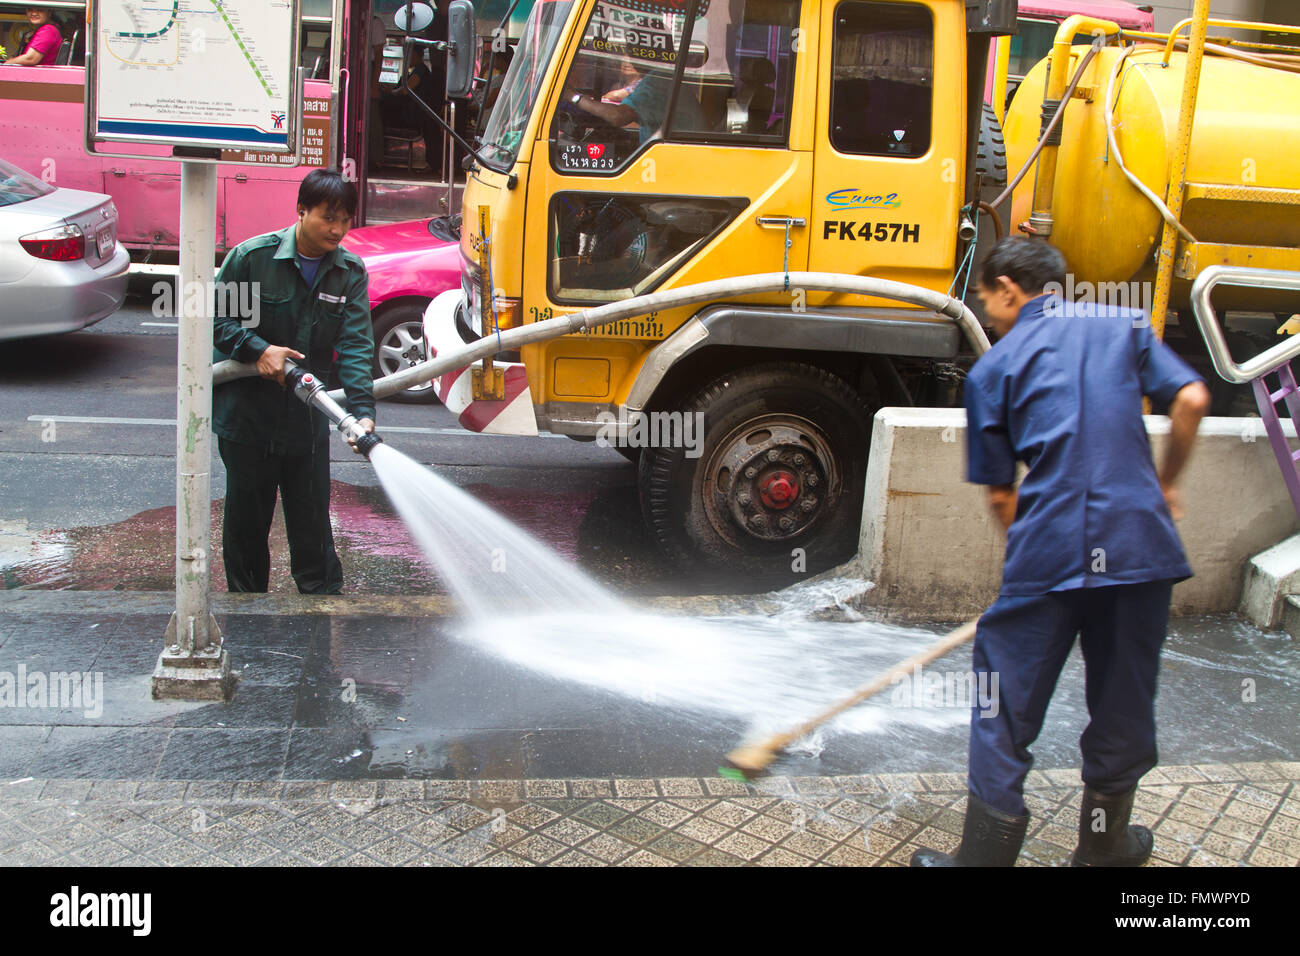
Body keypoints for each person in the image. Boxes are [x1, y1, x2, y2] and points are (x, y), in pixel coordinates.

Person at [911, 238, 1211, 867]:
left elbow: (1001, 498)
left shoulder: (994, 370)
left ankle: (985, 858)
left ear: (1009, 289)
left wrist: (1032, 572)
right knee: (1124, 697)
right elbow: (1190, 399)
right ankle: (1104, 847)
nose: (989, 313)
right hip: (1140, 546)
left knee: (1003, 705)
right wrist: (1167, 485)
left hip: (1049, 547)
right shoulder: (1122, 324)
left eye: (988, 298)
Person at [211, 169, 376, 595]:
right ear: (301, 211)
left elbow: (356, 346)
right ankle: (247, 615)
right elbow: (216, 321)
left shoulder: (348, 273)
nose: (338, 230)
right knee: (247, 527)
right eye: (328, 218)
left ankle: (320, 616)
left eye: (345, 220)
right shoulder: (252, 258)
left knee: (313, 527)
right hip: (247, 419)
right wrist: (257, 348)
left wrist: (362, 413)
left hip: (306, 420)